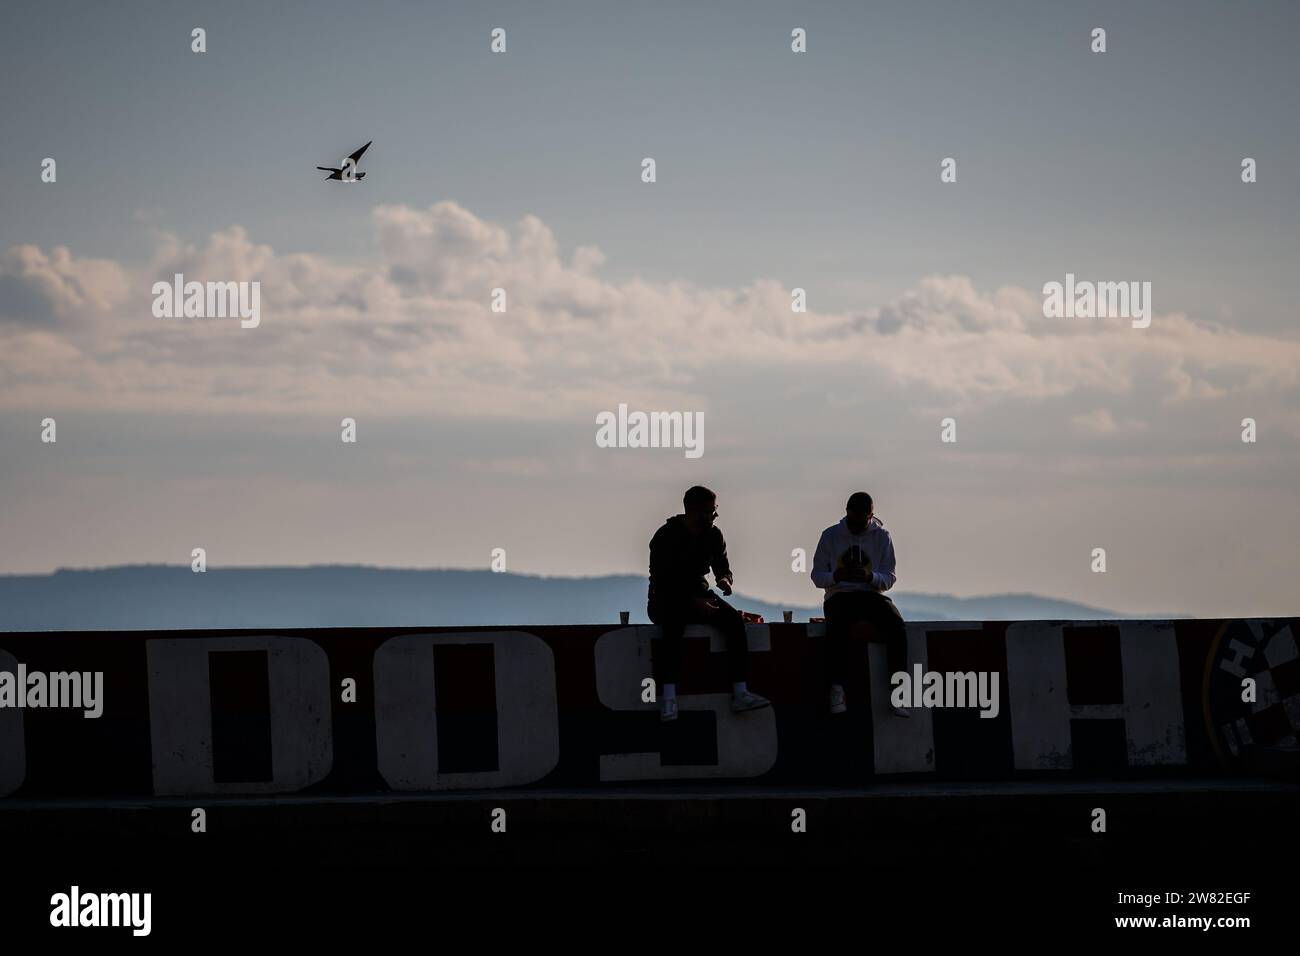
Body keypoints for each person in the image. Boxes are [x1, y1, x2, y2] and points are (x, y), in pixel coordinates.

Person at [647, 486, 771, 722]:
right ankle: (669, 697)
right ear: (693, 511)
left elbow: (722, 567)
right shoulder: (665, 536)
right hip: (666, 598)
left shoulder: (713, 535)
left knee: (734, 621)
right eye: (710, 511)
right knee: (673, 625)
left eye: (714, 511)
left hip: (700, 594)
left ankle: (740, 692)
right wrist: (693, 603)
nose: (714, 516)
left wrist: (724, 580)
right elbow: (663, 580)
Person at [811, 492, 909, 717]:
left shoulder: (882, 537)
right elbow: (817, 576)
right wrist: (837, 576)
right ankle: (836, 689)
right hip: (839, 595)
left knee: (896, 625)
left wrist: (869, 577)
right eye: (853, 522)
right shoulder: (830, 536)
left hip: (871, 594)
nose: (856, 527)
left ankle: (897, 693)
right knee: (836, 629)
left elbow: (889, 578)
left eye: (861, 522)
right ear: (846, 513)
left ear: (871, 516)